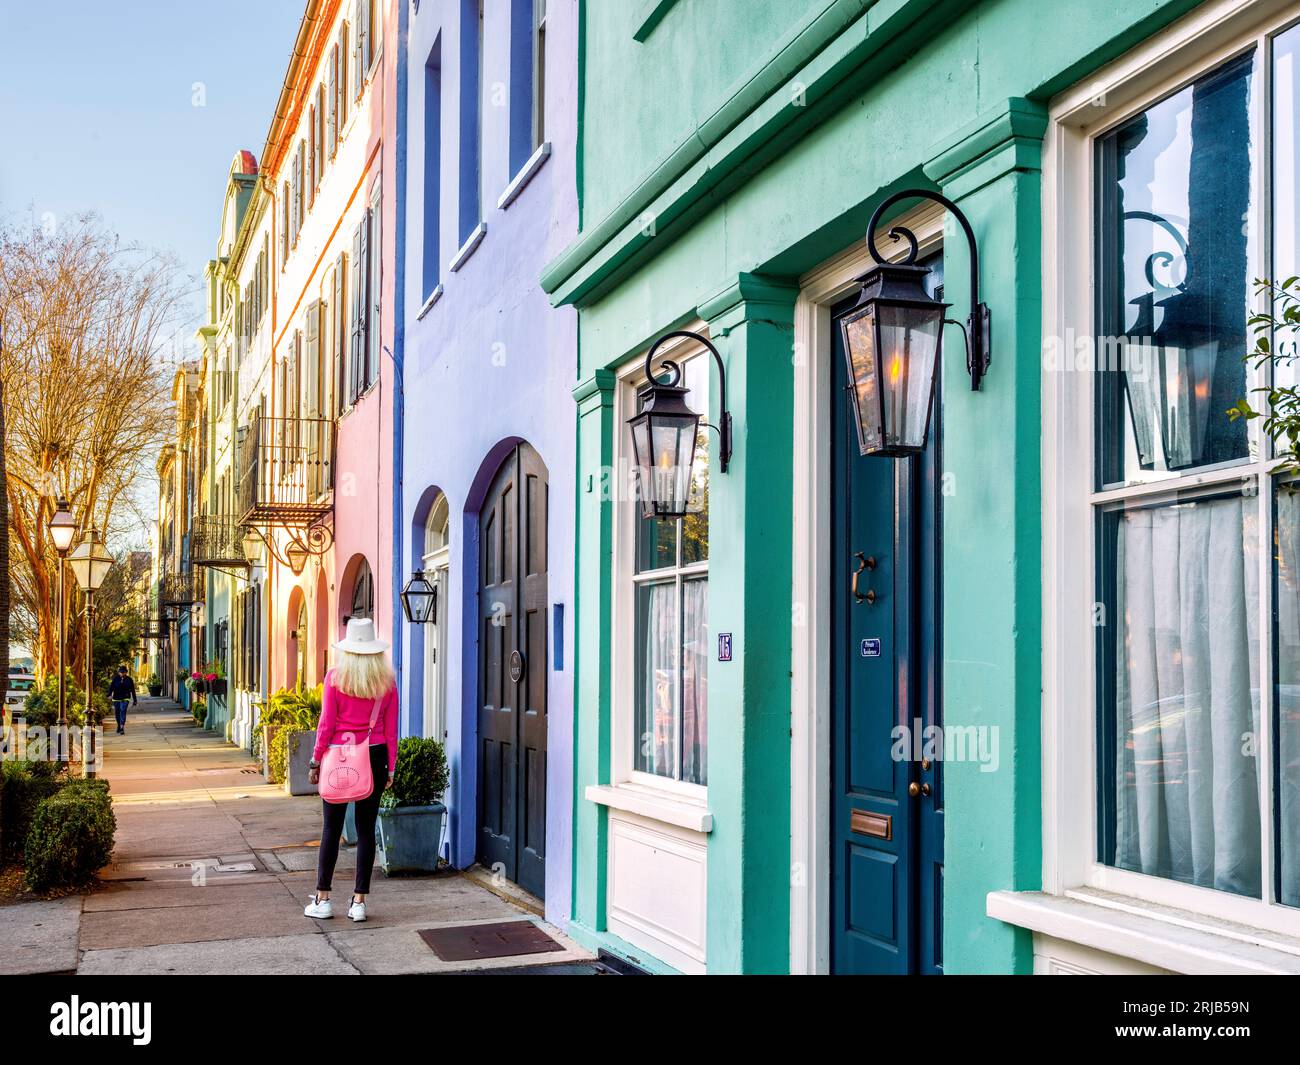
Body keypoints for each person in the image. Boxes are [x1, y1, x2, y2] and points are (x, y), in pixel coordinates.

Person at [304, 617, 398, 923]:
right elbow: (392, 730)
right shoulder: (386, 684)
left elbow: (326, 725)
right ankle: (359, 902)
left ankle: (323, 898)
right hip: (375, 755)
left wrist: (316, 760)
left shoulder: (335, 678)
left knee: (331, 829)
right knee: (367, 829)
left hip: (340, 756)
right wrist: (392, 768)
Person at [108, 665, 137, 735]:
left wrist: (135, 700)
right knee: (117, 713)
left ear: (126, 672)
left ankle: (122, 727)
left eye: (123, 672)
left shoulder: (129, 679)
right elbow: (111, 687)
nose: (122, 673)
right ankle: (119, 725)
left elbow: (133, 690)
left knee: (123, 711)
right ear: (119, 672)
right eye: (121, 672)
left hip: (125, 697)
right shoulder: (115, 679)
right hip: (116, 698)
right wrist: (109, 695)